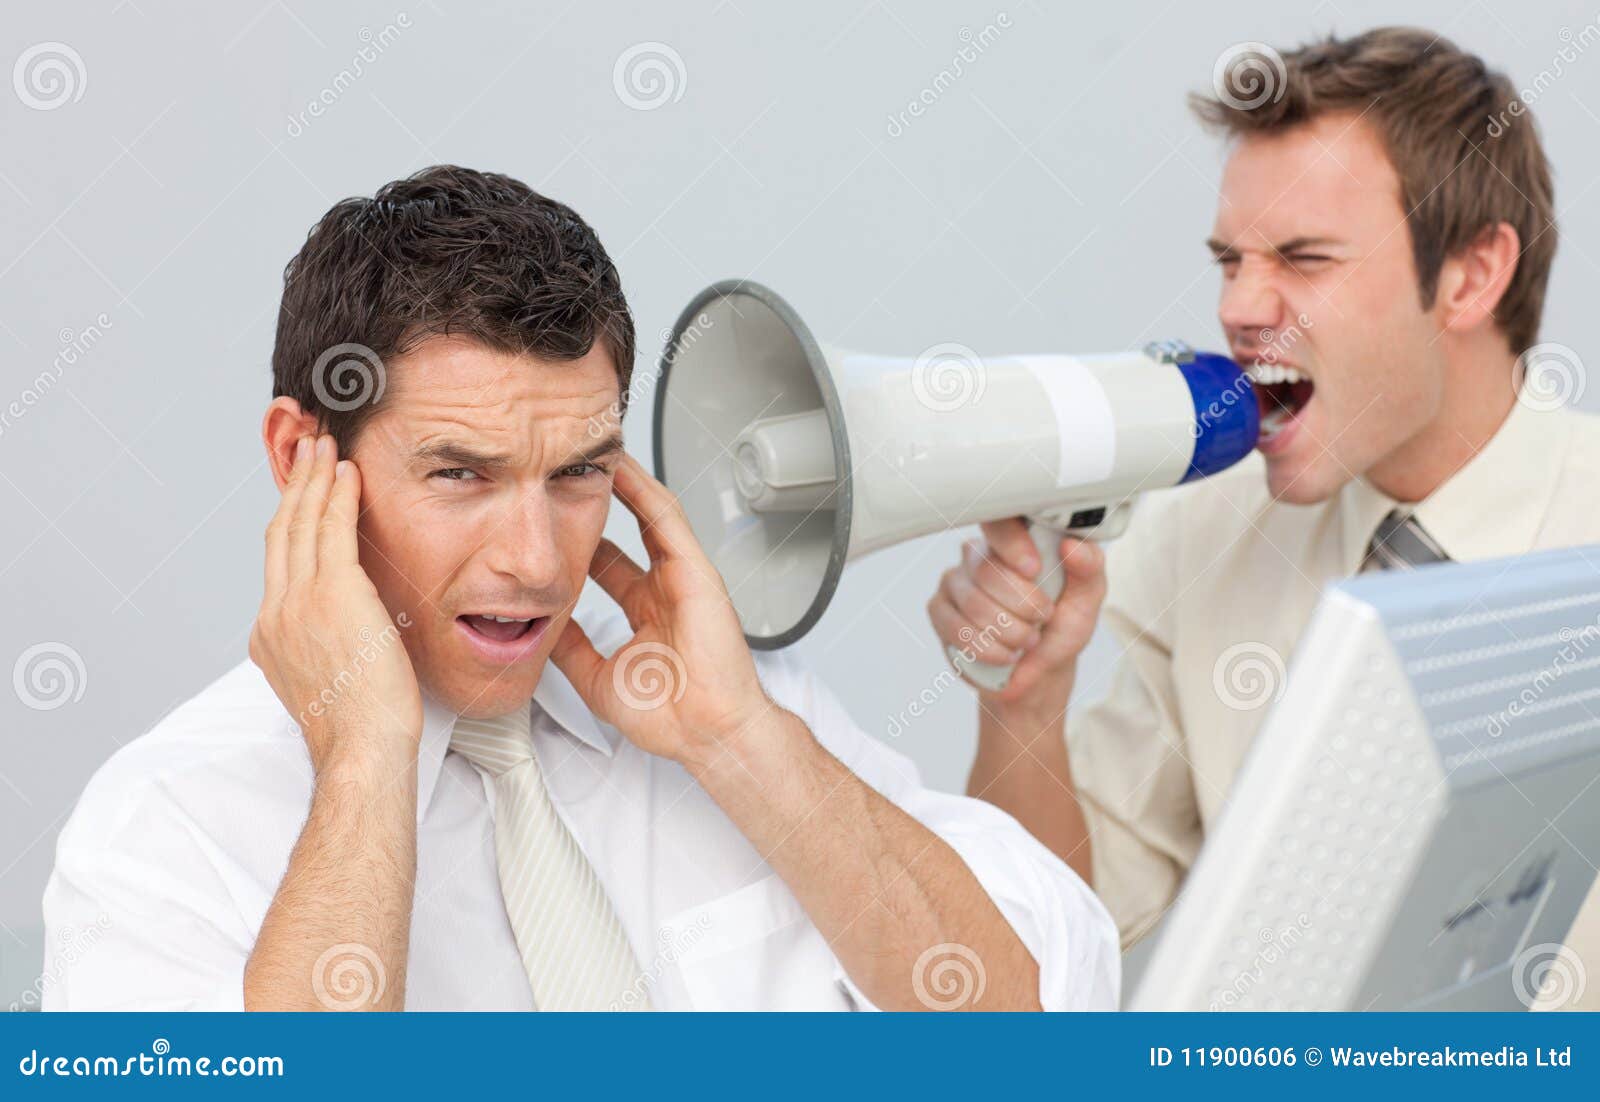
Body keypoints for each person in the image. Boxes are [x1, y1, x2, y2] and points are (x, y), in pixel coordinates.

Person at [42, 166, 1117, 1012]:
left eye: (577, 474)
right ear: (301, 458)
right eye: (460, 474)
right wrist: (366, 758)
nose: (536, 560)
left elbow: (1028, 1028)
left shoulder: (736, 707)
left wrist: (739, 741)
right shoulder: (166, 825)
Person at [926, 27, 1600, 1009]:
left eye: (1304, 258)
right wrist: (1023, 705)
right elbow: (1048, 946)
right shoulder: (1202, 534)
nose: (1239, 308)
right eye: (1229, 261)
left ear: (1469, 275)